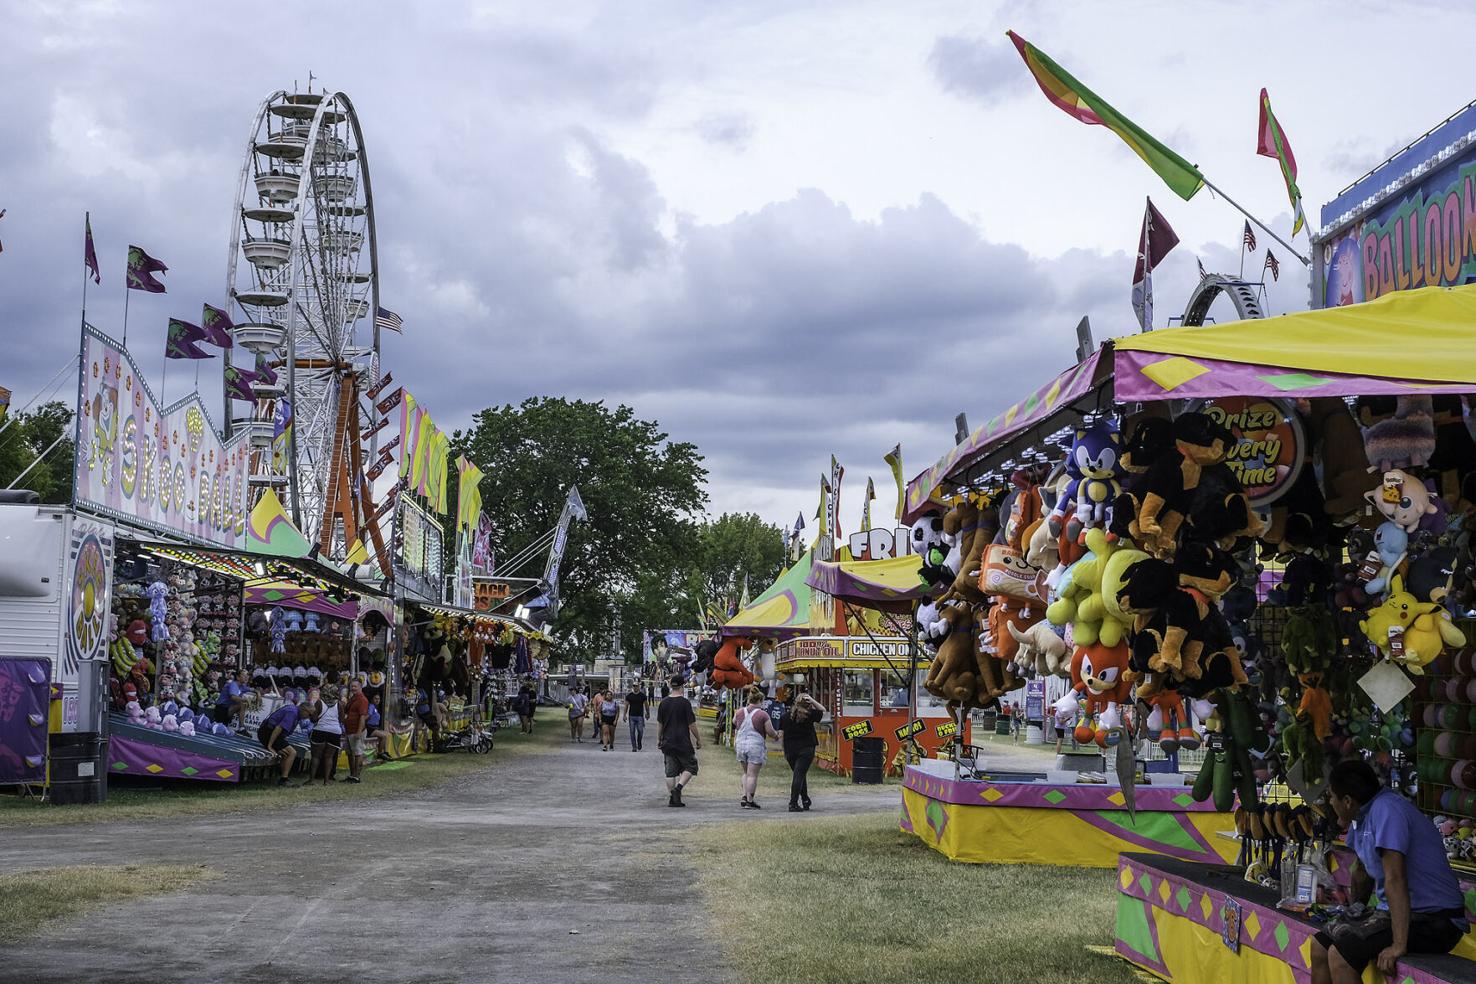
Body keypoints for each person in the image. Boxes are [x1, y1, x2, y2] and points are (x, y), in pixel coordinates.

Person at [1311, 760, 1468, 984]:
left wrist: (1398, 945)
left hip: (1437, 920)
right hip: (1402, 915)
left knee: (1341, 955)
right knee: (1319, 945)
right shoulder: (1361, 815)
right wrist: (1356, 908)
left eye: (1331, 797)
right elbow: (1362, 869)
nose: (1329, 802)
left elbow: (1395, 878)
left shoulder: (1387, 809)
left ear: (1347, 801)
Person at [657, 674, 701, 807]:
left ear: (671, 686)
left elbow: (660, 724)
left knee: (670, 771)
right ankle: (678, 789)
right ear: (682, 686)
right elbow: (691, 724)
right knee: (691, 766)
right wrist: (698, 739)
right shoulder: (685, 703)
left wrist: (659, 739)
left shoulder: (663, 703)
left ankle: (673, 798)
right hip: (683, 741)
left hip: (668, 741)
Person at [732, 686, 780, 809]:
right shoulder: (762, 715)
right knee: (752, 774)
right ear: (760, 701)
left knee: (745, 772)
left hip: (740, 744)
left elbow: (734, 722)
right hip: (755, 745)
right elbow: (770, 731)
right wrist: (776, 736)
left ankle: (744, 796)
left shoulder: (739, 712)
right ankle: (750, 800)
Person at [781, 691, 823, 812]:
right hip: (806, 748)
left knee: (799, 774)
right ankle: (793, 803)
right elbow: (823, 709)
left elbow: (783, 735)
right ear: (808, 704)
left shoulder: (786, 716)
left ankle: (805, 799)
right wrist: (813, 700)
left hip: (790, 749)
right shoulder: (810, 715)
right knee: (799, 775)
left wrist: (784, 750)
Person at [258, 696, 304, 787]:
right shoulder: (292, 712)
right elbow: (278, 728)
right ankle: (284, 780)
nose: (309, 717)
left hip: (269, 732)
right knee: (292, 753)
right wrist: (270, 746)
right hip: (267, 732)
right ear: (304, 710)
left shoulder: (295, 711)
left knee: (286, 754)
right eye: (309, 714)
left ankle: (282, 776)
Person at [308, 685, 345, 786]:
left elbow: (314, 718)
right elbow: (341, 720)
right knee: (329, 757)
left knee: (316, 756)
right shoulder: (339, 704)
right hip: (335, 731)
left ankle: (311, 780)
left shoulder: (319, 702)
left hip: (320, 730)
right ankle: (327, 781)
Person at [343, 678, 370, 784]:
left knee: (358, 753)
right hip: (349, 731)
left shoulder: (362, 700)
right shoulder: (352, 698)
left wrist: (359, 732)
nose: (353, 688)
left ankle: (356, 776)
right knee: (350, 753)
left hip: (356, 731)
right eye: (352, 686)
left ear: (360, 687)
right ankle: (352, 774)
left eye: (355, 686)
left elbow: (363, 717)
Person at [624, 685, 648, 752]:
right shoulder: (629, 696)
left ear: (639, 687)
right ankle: (634, 746)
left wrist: (647, 713)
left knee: (640, 731)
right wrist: (624, 715)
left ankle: (639, 741)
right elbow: (626, 705)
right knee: (632, 732)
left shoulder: (642, 696)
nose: (635, 687)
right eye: (634, 686)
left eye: (636, 686)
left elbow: (646, 705)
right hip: (631, 716)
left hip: (640, 716)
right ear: (633, 687)